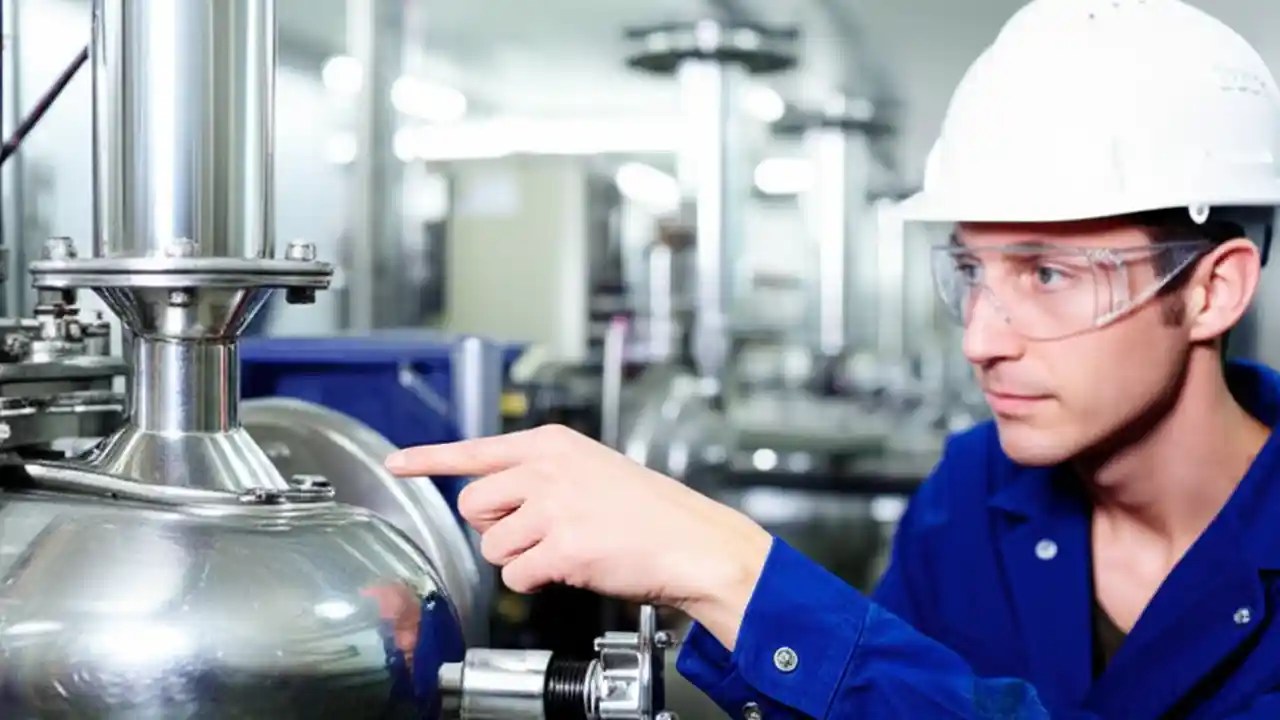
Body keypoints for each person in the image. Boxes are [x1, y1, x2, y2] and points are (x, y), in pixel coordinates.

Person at [385, 0, 1280, 716]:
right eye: (971, 271)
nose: (980, 338)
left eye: (1048, 272)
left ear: (1211, 290)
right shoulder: (973, 492)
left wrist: (732, 571)